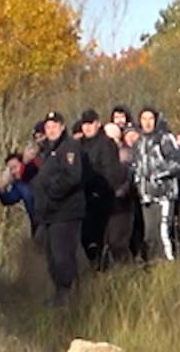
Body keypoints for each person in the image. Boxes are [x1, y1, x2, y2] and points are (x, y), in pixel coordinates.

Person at [30, 113, 86, 306]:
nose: (51, 130)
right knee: (52, 257)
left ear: (62, 127)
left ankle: (70, 295)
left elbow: (72, 177)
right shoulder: (48, 150)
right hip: (50, 214)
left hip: (66, 211)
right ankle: (60, 294)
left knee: (63, 255)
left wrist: (52, 192)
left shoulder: (69, 147)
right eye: (48, 127)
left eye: (54, 126)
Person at [132, 107, 180, 262]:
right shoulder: (139, 142)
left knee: (163, 232)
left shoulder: (165, 139)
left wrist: (159, 174)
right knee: (149, 235)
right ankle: (155, 266)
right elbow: (137, 167)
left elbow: (179, 163)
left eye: (150, 119)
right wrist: (138, 183)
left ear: (156, 120)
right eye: (144, 119)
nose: (147, 123)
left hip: (164, 194)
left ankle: (169, 264)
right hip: (146, 197)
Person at [75, 109, 116, 266]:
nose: (87, 127)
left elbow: (109, 170)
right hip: (82, 197)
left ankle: (104, 267)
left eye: (90, 123)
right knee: (86, 239)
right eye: (85, 124)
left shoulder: (106, 143)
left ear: (98, 124)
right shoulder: (79, 145)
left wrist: (100, 190)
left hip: (101, 196)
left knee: (99, 237)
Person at [99, 126, 138, 268]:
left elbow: (130, 180)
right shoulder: (100, 155)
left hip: (122, 207)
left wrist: (122, 191)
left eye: (114, 139)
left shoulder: (126, 157)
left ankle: (128, 273)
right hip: (104, 207)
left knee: (118, 244)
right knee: (104, 244)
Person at [0, 153, 38, 237]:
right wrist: (1, 187)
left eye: (15, 167)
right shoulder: (19, 185)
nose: (14, 172)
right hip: (37, 224)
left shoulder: (34, 172)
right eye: (11, 169)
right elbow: (8, 199)